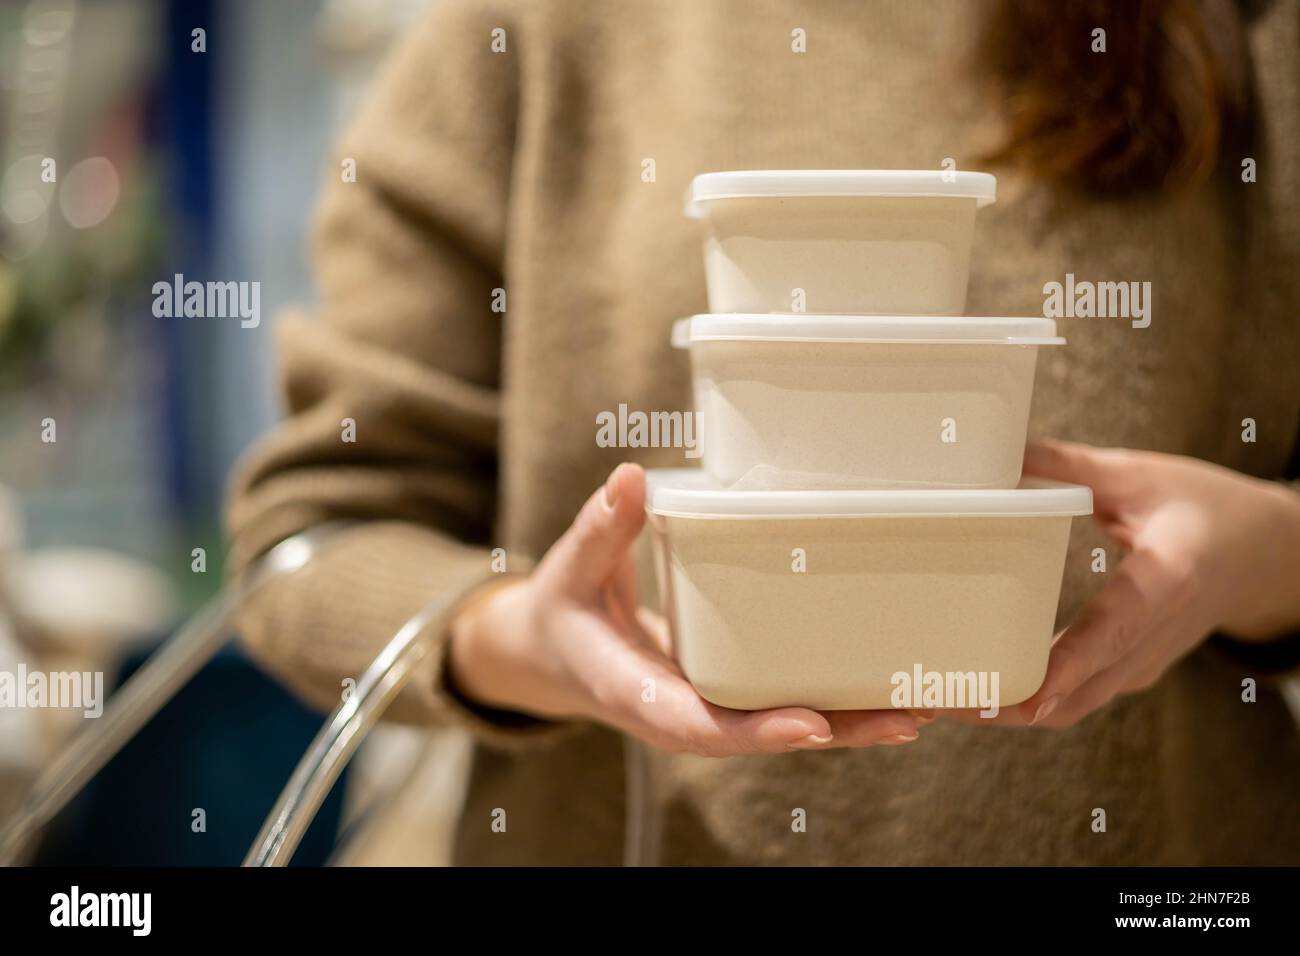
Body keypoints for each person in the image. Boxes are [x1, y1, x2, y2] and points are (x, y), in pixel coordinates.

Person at [226, 0, 1300, 865]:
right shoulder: (520, 33)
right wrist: (524, 638)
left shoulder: (1247, 35)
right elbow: (312, 539)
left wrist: (1264, 552)